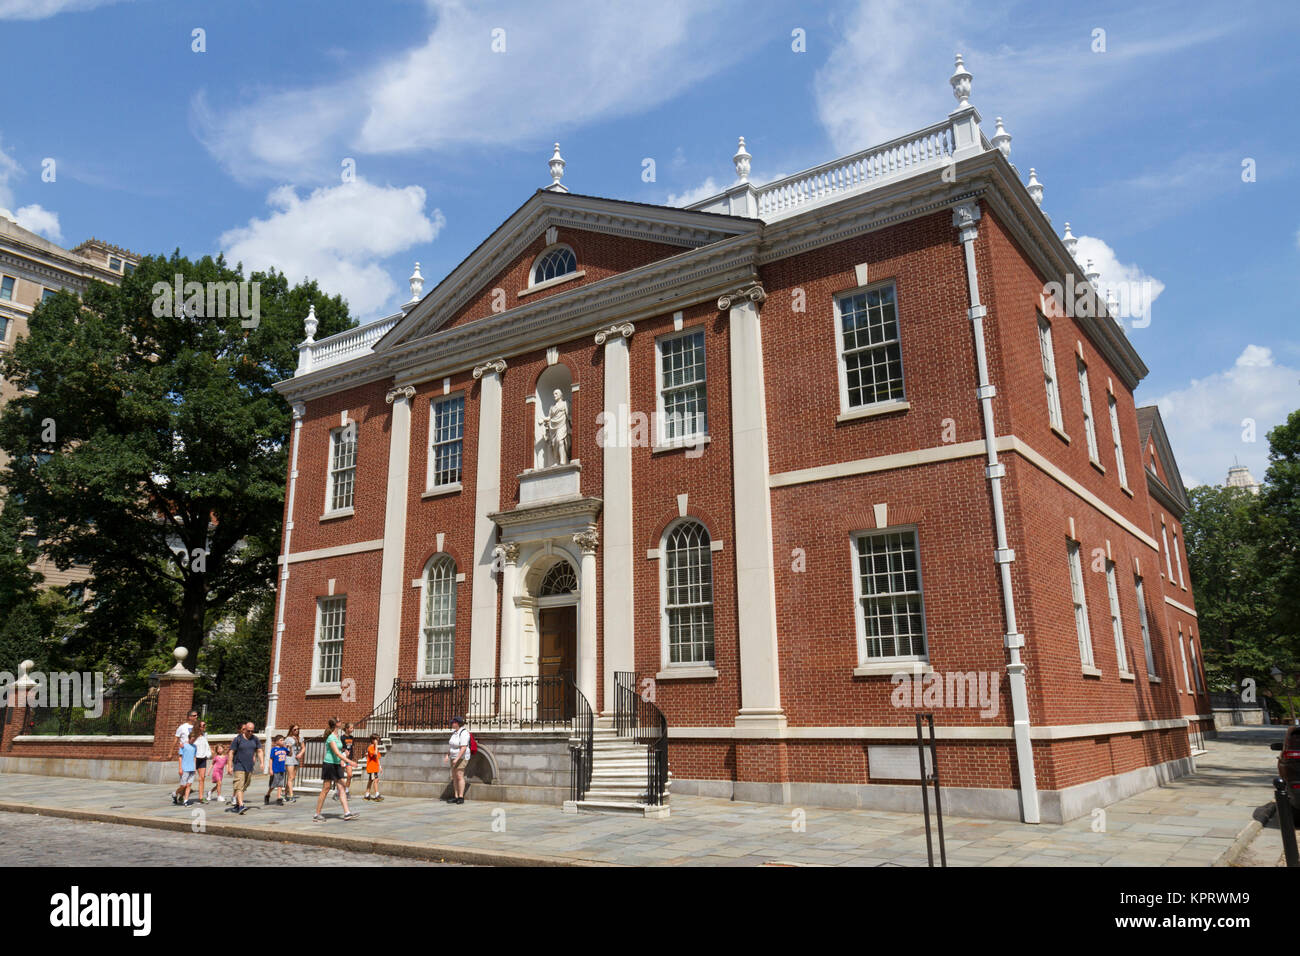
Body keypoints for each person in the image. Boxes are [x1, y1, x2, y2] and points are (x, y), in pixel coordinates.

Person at [314, 717, 359, 822]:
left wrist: (344, 753)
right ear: (335, 724)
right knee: (326, 788)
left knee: (342, 787)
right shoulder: (331, 737)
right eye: (339, 721)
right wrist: (349, 761)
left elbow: (340, 751)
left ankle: (347, 813)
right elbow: (336, 753)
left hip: (337, 764)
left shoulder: (337, 736)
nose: (341, 722)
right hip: (329, 765)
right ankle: (317, 814)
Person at [226, 721, 264, 815]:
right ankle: (241, 805)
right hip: (239, 765)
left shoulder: (255, 739)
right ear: (244, 730)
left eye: (252, 731)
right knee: (239, 785)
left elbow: (259, 751)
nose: (250, 733)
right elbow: (231, 752)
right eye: (248, 731)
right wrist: (229, 766)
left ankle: (237, 805)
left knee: (244, 786)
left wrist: (262, 762)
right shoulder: (238, 739)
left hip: (249, 766)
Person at [443, 716, 470, 804]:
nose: (451, 724)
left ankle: (461, 797)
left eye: (453, 722)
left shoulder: (464, 733)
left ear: (458, 723)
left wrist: (457, 758)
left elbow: (463, 747)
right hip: (453, 757)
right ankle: (456, 796)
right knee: (454, 777)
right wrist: (448, 755)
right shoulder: (454, 732)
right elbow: (451, 746)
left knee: (459, 776)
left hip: (461, 758)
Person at [172, 730, 197, 806]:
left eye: (194, 739)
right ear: (189, 738)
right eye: (192, 739)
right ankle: (175, 793)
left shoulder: (195, 747)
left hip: (192, 768)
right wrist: (180, 768)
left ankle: (186, 800)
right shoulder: (183, 746)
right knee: (183, 785)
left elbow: (194, 757)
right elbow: (180, 757)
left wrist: (195, 767)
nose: (193, 741)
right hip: (185, 768)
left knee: (189, 785)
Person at [265, 735, 289, 806]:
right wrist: (270, 769)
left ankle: (279, 798)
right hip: (275, 769)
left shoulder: (284, 749)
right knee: (273, 785)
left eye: (283, 740)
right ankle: (267, 795)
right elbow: (271, 759)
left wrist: (289, 747)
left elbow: (290, 754)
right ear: (277, 742)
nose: (283, 741)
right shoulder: (274, 749)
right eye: (281, 740)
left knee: (280, 784)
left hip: (282, 769)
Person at [336, 723, 356, 801]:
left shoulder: (352, 737)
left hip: (349, 759)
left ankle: (346, 791)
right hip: (343, 758)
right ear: (347, 729)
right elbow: (339, 748)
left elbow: (351, 747)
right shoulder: (342, 737)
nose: (352, 729)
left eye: (353, 728)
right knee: (340, 776)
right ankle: (338, 792)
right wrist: (344, 751)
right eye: (351, 728)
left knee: (350, 775)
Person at [192, 721, 211, 803]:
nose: (204, 727)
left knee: (202, 778)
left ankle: (201, 797)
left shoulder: (204, 735)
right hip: (195, 759)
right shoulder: (193, 737)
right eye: (203, 726)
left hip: (203, 759)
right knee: (189, 780)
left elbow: (206, 747)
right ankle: (180, 794)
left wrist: (208, 754)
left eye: (205, 725)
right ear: (198, 727)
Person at [283, 723, 302, 803]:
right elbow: (284, 749)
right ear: (291, 730)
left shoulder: (300, 738)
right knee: (290, 777)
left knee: (293, 778)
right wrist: (289, 747)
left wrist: (301, 753)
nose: (296, 731)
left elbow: (303, 747)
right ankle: (291, 795)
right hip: (289, 759)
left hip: (296, 759)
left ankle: (285, 794)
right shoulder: (288, 739)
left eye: (298, 729)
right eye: (295, 729)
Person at [363, 734, 383, 801]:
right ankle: (377, 794)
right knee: (375, 780)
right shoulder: (370, 747)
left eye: (377, 739)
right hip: (372, 767)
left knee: (371, 780)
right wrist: (376, 746)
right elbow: (375, 755)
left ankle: (367, 794)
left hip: (375, 767)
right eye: (376, 739)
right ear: (372, 740)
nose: (377, 741)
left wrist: (380, 766)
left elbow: (377, 758)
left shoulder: (375, 747)